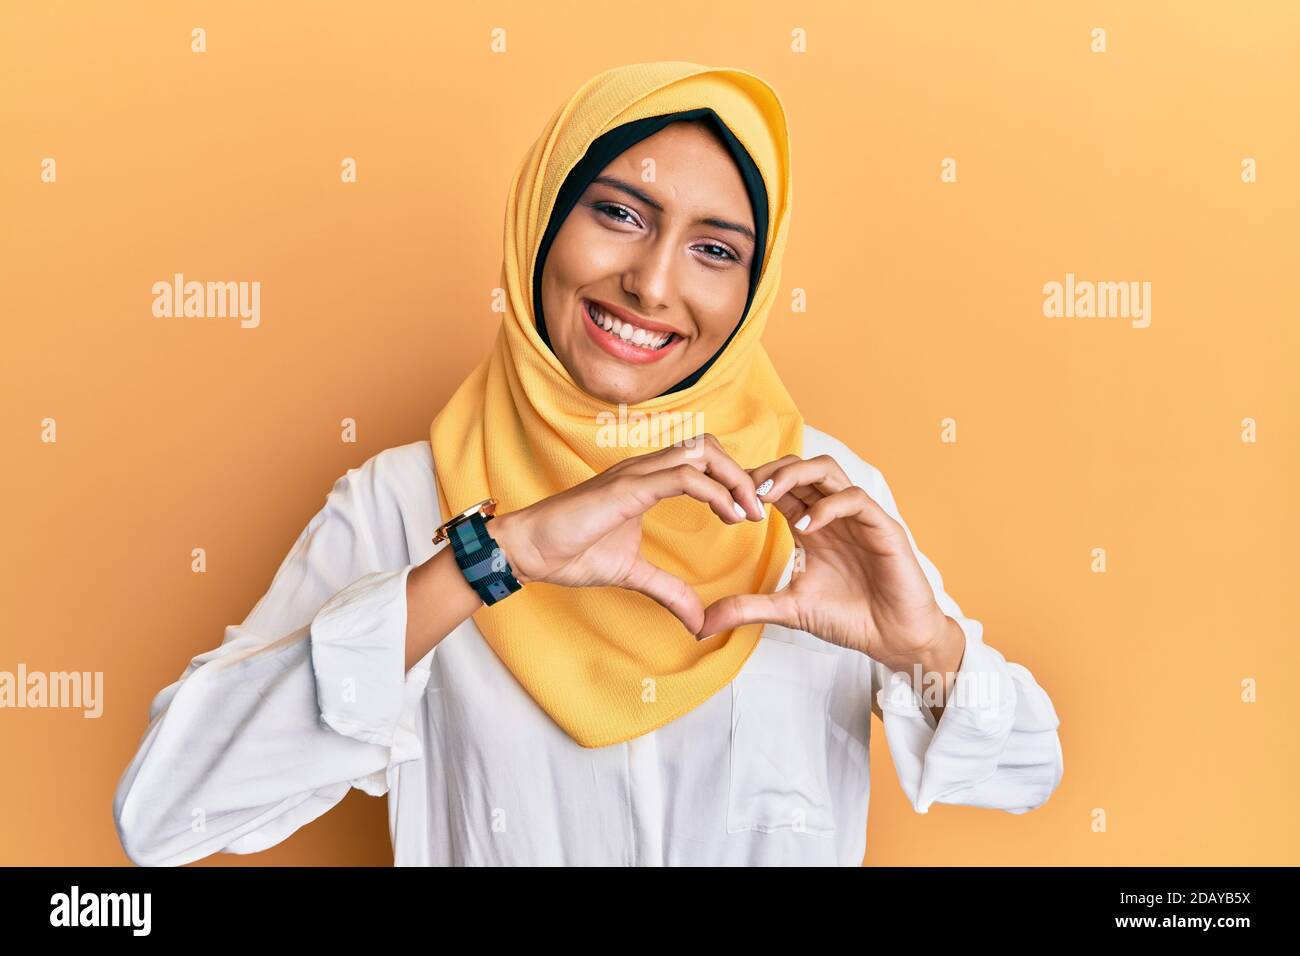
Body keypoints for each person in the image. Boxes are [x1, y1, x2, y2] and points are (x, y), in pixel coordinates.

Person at [112, 61, 1063, 867]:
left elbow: (1024, 771)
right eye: (617, 212)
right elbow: (167, 812)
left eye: (715, 250)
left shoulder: (819, 498)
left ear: (753, 288)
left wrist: (923, 650)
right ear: (542, 222)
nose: (652, 283)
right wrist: (491, 560)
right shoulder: (405, 503)